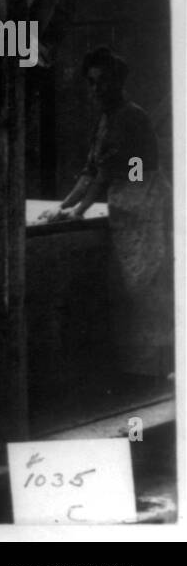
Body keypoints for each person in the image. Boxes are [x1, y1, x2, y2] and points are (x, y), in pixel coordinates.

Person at [40, 47, 173, 379]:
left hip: (144, 200)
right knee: (130, 285)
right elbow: (90, 170)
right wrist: (63, 207)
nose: (97, 89)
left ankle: (158, 367)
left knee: (146, 283)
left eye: (103, 82)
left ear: (118, 82)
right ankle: (139, 366)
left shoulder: (132, 116)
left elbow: (109, 173)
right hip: (124, 202)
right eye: (92, 82)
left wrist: (79, 211)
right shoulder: (105, 118)